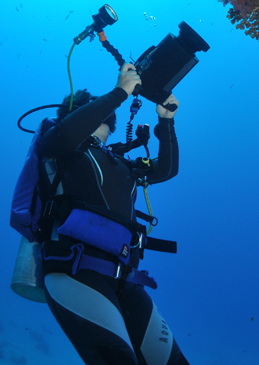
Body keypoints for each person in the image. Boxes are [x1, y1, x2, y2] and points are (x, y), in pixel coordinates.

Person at [35, 63, 188, 365]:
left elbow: (168, 169)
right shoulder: (60, 145)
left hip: (126, 280)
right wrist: (118, 93)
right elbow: (65, 136)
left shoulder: (122, 164)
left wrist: (166, 122)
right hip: (74, 271)